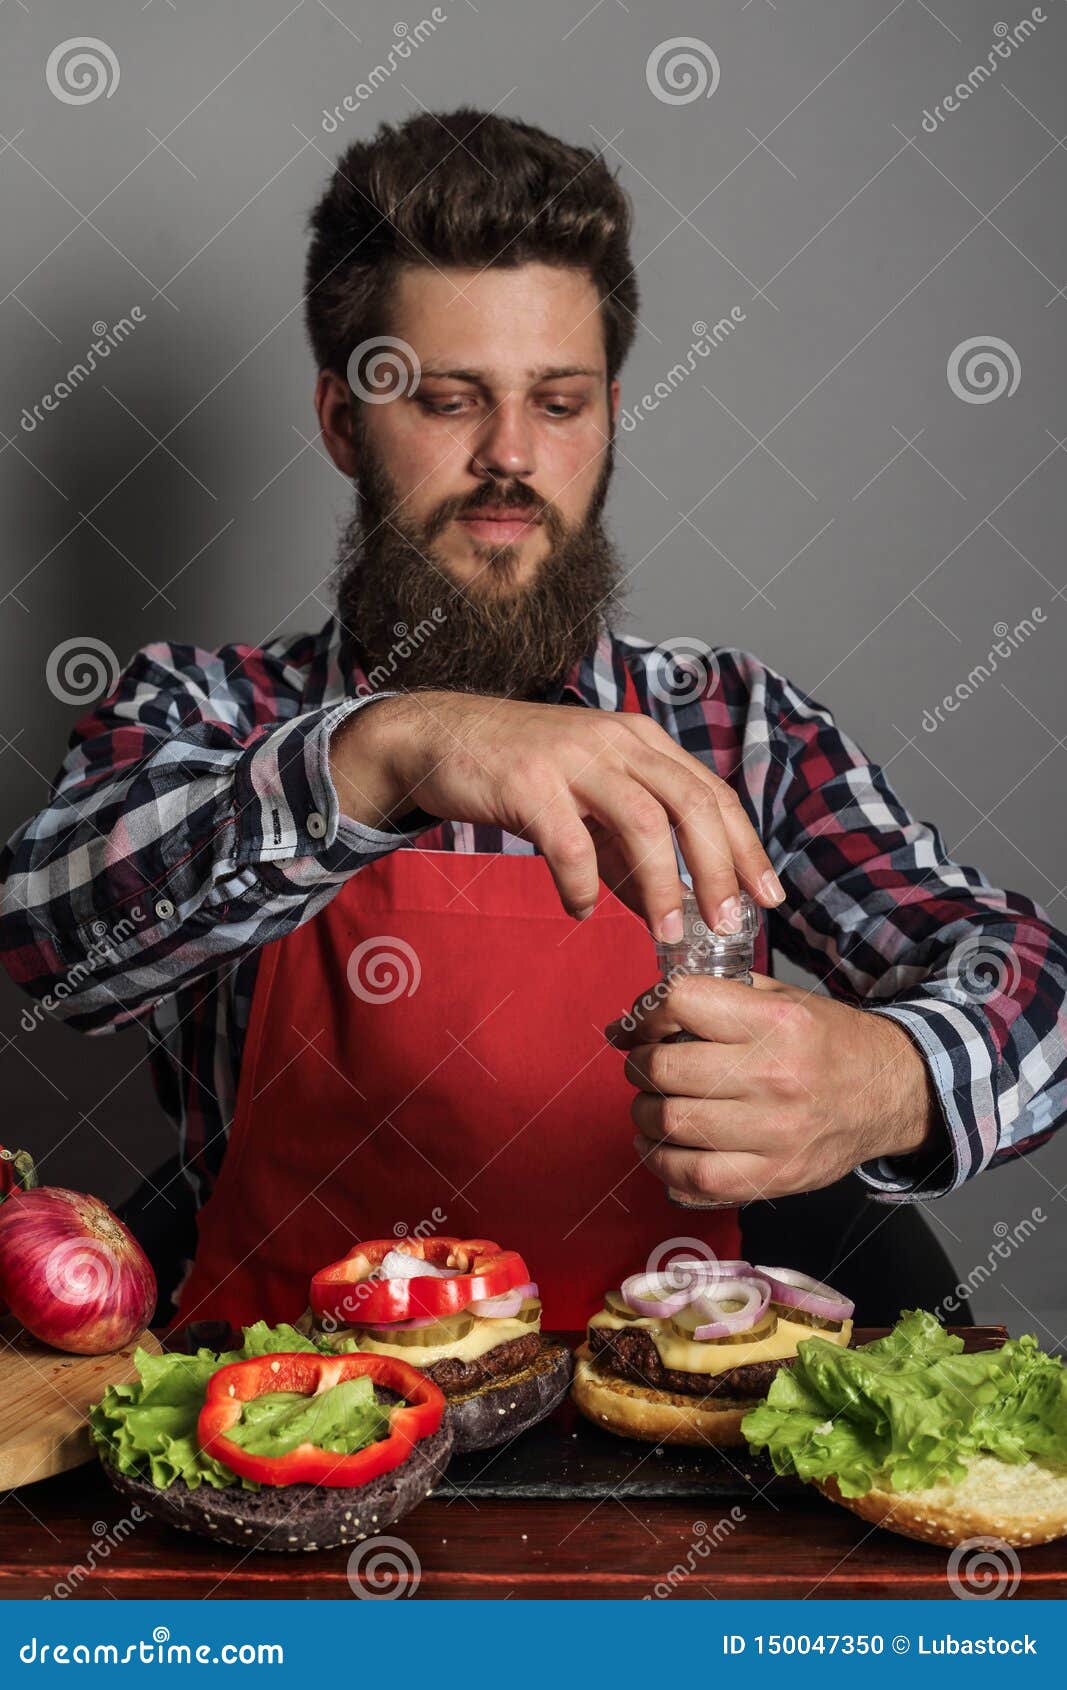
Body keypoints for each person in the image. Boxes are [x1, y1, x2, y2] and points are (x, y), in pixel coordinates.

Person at [2, 109, 1063, 1332]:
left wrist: (887, 1077)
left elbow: (1034, 986)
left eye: (557, 404)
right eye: (448, 400)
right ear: (344, 419)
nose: (509, 456)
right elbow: (48, 944)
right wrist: (391, 747)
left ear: (606, 416)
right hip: (288, 1411)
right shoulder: (206, 709)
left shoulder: (732, 728)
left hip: (655, 1419)